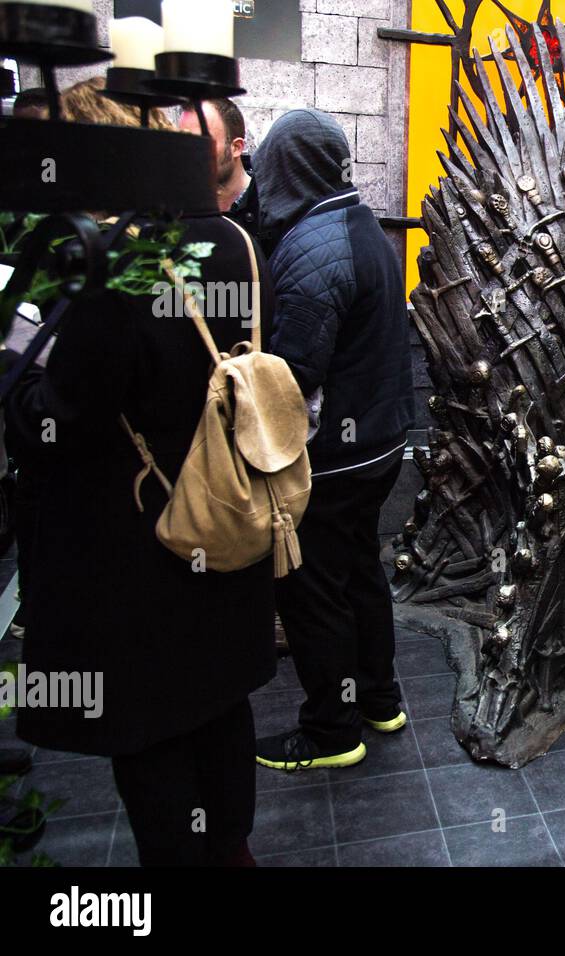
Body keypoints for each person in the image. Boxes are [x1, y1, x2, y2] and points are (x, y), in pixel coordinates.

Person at [4, 90, 276, 865]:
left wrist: (17, 353)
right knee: (219, 715)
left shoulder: (112, 268)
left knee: (156, 751)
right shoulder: (228, 240)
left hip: (139, 552)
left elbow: (59, 418)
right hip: (223, 524)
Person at [253, 109, 415, 772]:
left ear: (287, 167)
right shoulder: (363, 226)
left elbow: (293, 377)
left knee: (311, 586)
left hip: (334, 460)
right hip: (380, 446)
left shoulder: (312, 244)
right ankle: (380, 699)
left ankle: (330, 730)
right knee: (359, 572)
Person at [178, 98, 257, 232]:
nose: (187, 152)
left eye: (201, 141)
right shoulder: (177, 211)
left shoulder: (269, 207)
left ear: (236, 147)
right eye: (182, 141)